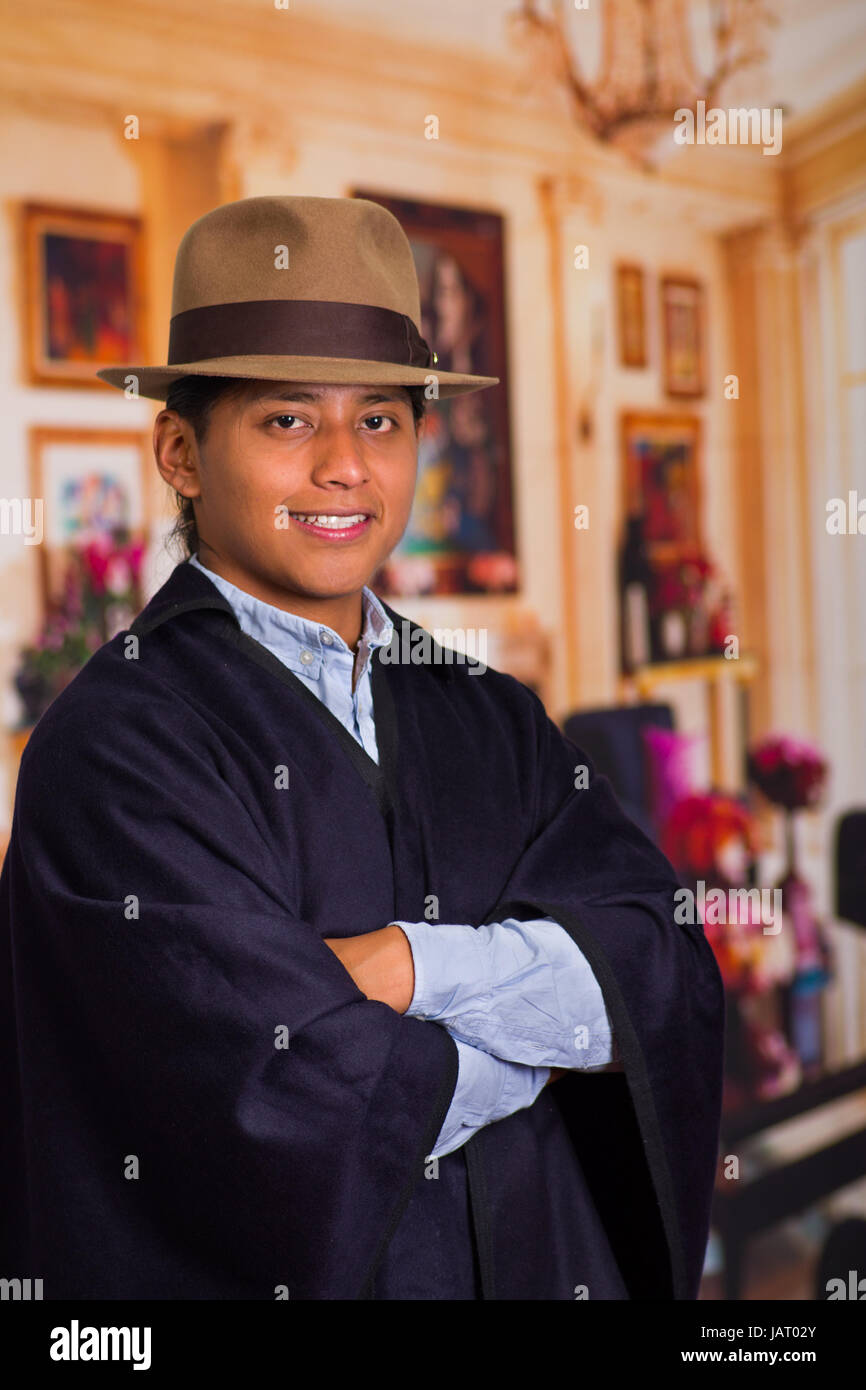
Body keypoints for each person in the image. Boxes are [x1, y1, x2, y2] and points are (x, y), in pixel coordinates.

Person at [0, 195, 725, 1300]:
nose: (345, 466)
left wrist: (409, 966)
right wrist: (552, 1023)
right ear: (181, 452)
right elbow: (279, 1092)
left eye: (380, 419)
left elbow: (658, 969)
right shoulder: (114, 751)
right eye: (288, 421)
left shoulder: (491, 712)